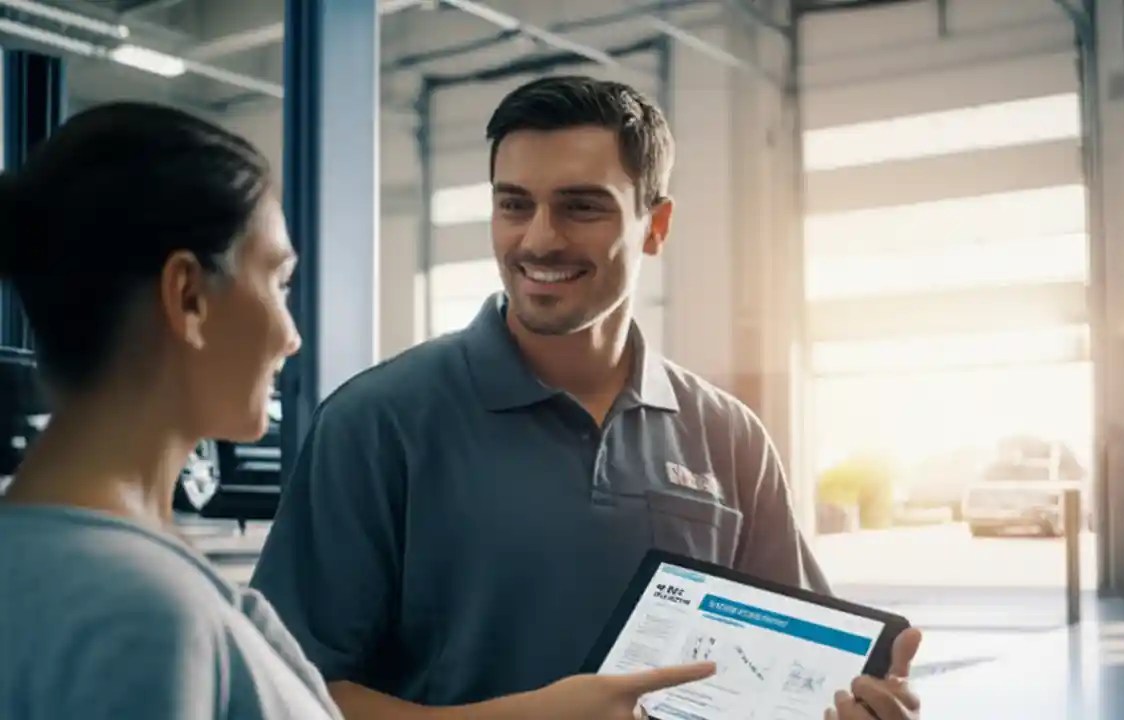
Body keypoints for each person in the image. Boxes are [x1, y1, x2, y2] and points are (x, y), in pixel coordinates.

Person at [251, 75, 922, 720]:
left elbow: (789, 673)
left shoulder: (729, 437)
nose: (539, 238)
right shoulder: (376, 424)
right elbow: (284, 694)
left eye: (581, 206)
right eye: (514, 204)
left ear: (655, 226)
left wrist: (852, 706)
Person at [0, 103, 339, 719]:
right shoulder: (140, 614)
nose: (291, 336)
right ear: (188, 296)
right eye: (278, 281)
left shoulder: (74, 571)